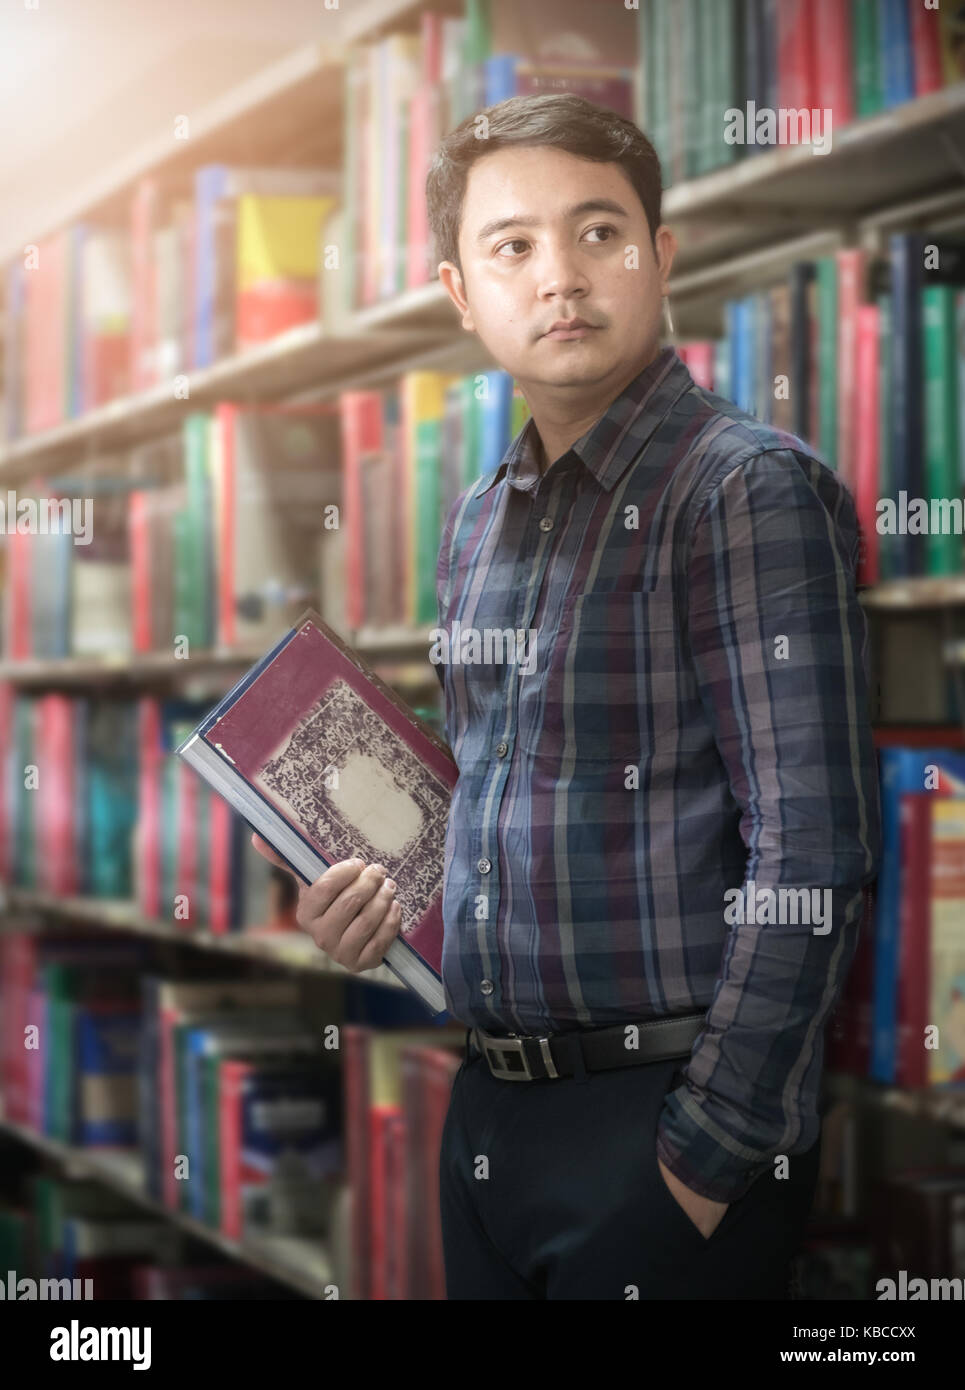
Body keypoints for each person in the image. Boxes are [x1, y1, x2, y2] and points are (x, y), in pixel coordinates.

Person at [255, 92, 882, 1301]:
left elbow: (814, 846)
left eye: (599, 233)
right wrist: (377, 912)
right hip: (488, 1111)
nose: (561, 277)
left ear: (662, 256)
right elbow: (492, 806)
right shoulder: (478, 520)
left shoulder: (741, 491)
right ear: (458, 292)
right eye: (513, 246)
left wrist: (705, 1158)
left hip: (661, 1132)